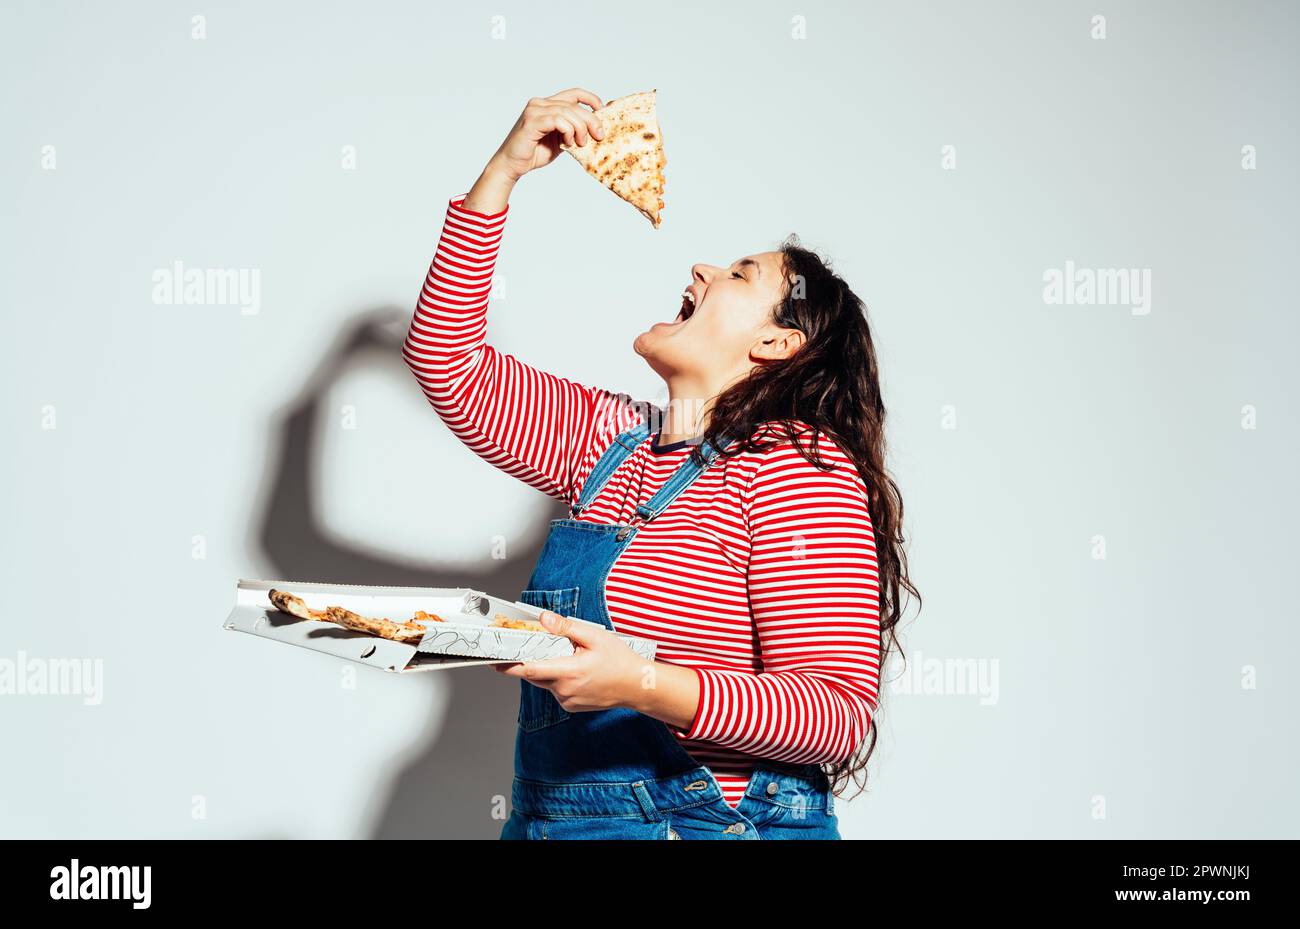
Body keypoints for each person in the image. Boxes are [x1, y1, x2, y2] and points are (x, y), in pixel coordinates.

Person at [403, 87, 917, 840]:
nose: (703, 268)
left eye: (740, 274)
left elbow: (833, 715)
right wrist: (505, 171)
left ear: (777, 345)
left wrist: (639, 682)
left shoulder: (798, 470)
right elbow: (447, 361)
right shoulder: (610, 443)